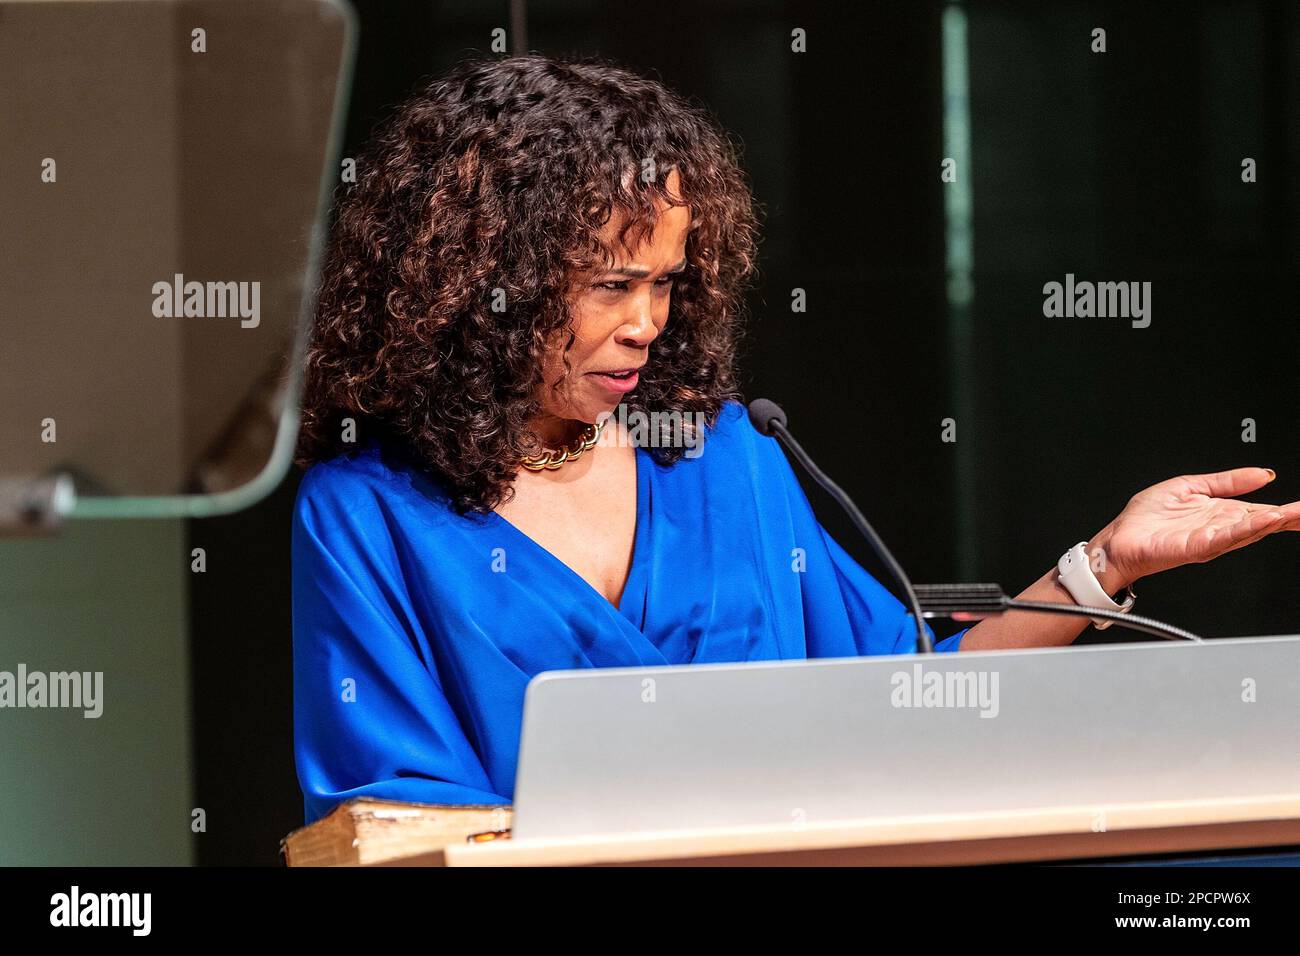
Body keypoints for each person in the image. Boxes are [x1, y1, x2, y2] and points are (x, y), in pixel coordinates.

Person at [290, 55, 1300, 824]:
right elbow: (389, 819)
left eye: (667, 281)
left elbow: (912, 699)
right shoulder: (368, 513)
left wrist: (1105, 562)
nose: (648, 320)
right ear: (481, 281)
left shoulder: (723, 455)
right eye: (611, 283)